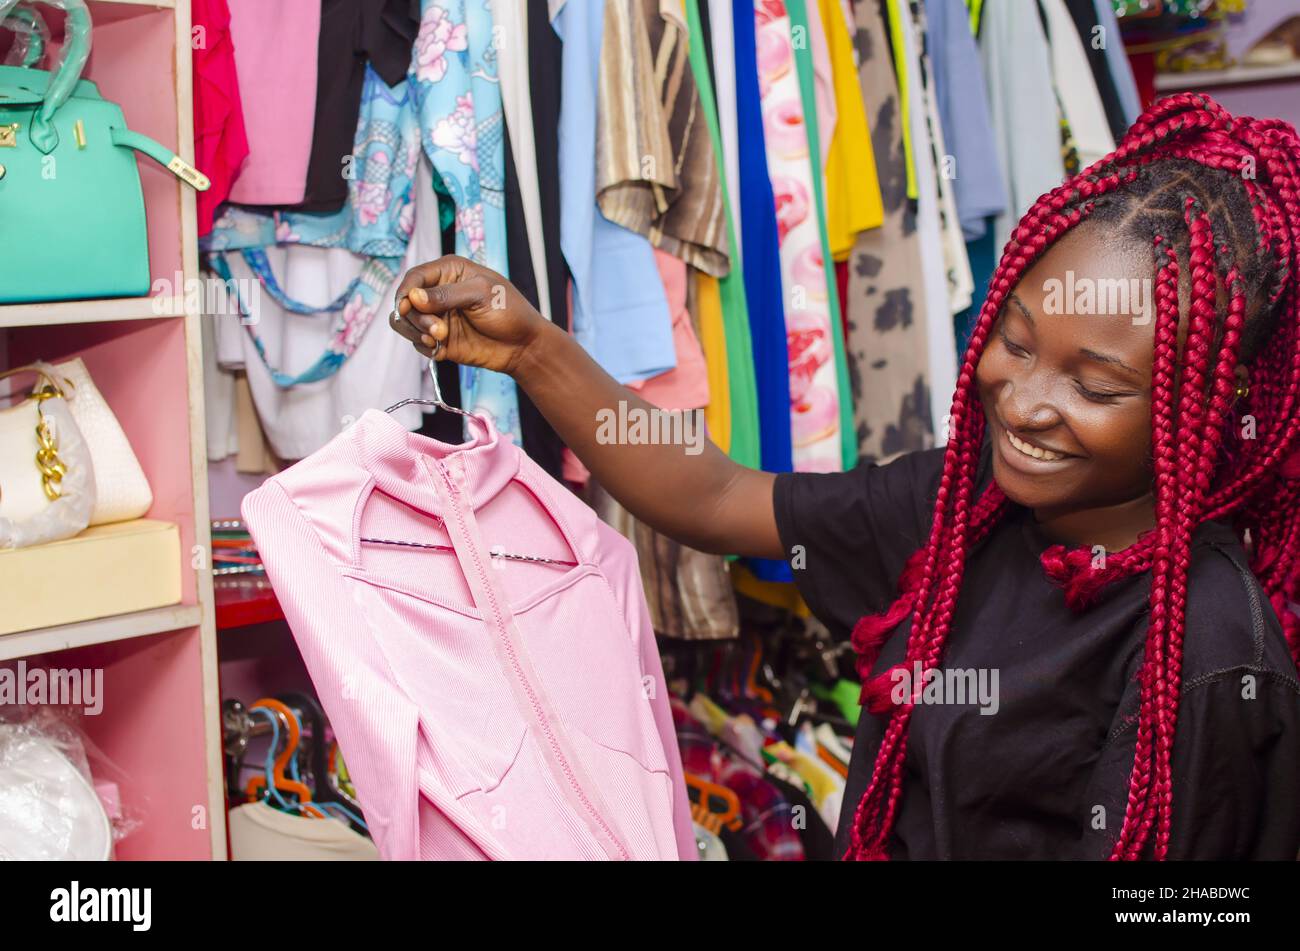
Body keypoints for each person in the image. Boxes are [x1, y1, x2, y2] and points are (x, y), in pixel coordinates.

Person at [388, 93, 1300, 861]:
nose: (1022, 402)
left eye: (1094, 384)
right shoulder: (967, 507)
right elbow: (715, 495)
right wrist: (537, 351)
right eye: (1014, 342)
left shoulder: (1210, 650)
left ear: (1208, 406)